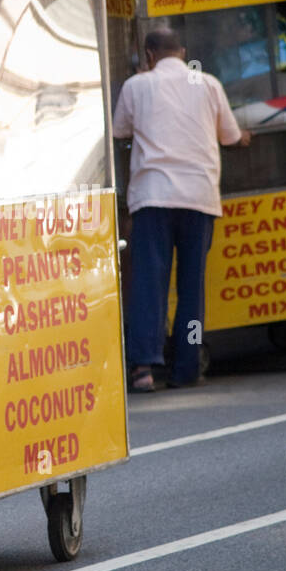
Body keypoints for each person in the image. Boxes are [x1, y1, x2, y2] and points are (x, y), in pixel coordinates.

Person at [113, 26, 250, 391]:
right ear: (182, 52)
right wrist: (244, 138)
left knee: (148, 285)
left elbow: (120, 131)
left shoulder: (137, 86)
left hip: (153, 197)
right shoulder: (207, 84)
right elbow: (232, 138)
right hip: (198, 198)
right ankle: (187, 366)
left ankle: (143, 367)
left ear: (149, 55)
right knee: (191, 287)